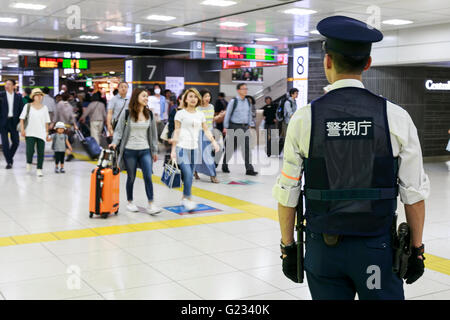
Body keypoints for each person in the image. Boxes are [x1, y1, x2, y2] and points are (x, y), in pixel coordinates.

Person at [273, 15, 430, 300]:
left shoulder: (304, 118)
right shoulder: (395, 117)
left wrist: (288, 247)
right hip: (375, 250)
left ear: (328, 61)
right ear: (367, 64)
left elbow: (288, 193)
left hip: (323, 251)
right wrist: (416, 249)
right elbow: (414, 193)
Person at [110, 88, 161, 215]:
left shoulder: (149, 114)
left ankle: (151, 203)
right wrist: (115, 142)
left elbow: (154, 135)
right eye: (144, 96)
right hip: (129, 151)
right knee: (131, 177)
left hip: (145, 150)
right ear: (136, 97)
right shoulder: (127, 113)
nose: (146, 98)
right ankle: (130, 202)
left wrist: (154, 151)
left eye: (147, 97)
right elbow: (119, 130)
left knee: (148, 176)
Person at [171, 88, 220, 211]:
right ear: (186, 99)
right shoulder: (180, 114)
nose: (193, 99)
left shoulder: (200, 114)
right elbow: (176, 132)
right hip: (182, 148)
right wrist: (173, 150)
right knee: (187, 174)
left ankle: (184, 197)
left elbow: (206, 129)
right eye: (190, 96)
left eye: (195, 97)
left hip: (195, 149)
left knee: (189, 176)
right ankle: (189, 199)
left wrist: (214, 142)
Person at [222, 83, 258, 176]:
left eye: (246, 88)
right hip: (234, 127)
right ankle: (224, 165)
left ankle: (249, 169)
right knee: (230, 148)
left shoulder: (248, 102)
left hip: (245, 127)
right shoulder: (233, 101)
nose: (245, 90)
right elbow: (228, 114)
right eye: (243, 89)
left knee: (247, 148)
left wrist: (249, 125)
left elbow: (249, 114)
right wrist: (225, 127)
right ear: (238, 90)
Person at [19, 88, 51, 177]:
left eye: (40, 95)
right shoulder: (28, 106)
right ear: (33, 96)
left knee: (41, 152)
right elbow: (22, 119)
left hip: (41, 133)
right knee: (30, 150)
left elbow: (47, 121)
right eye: (37, 95)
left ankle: (39, 169)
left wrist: (47, 132)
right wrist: (22, 130)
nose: (39, 97)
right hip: (30, 132)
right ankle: (29, 162)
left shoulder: (45, 108)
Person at [194, 89, 219, 183]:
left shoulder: (211, 106)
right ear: (201, 97)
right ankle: (212, 175)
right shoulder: (197, 108)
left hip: (209, 133)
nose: (208, 98)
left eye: (209, 96)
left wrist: (218, 117)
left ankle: (197, 171)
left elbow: (211, 120)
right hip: (199, 133)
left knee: (208, 154)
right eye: (205, 96)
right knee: (202, 154)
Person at [0, 79, 25, 169]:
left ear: (14, 86)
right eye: (6, 84)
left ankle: (9, 157)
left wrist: (21, 122)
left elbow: (22, 111)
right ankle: (9, 162)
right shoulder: (1, 96)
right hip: (3, 122)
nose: (7, 85)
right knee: (5, 143)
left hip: (14, 122)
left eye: (9, 84)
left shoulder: (18, 97)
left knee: (16, 142)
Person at [53, 92, 78, 161]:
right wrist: (75, 125)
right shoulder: (70, 106)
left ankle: (61, 154)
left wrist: (53, 123)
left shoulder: (59, 105)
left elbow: (56, 115)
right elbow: (72, 117)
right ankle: (67, 154)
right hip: (68, 127)